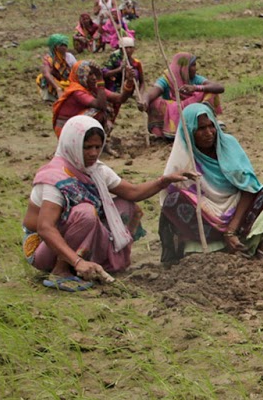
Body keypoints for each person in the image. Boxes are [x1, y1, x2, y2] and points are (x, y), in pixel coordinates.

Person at [23, 116, 184, 290]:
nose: (93, 153)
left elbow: (133, 192)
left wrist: (163, 181)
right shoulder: (54, 178)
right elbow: (45, 228)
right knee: (85, 213)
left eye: (97, 147)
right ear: (72, 145)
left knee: (126, 206)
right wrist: (77, 261)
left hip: (74, 235)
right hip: (43, 248)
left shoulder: (96, 170)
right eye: (87, 148)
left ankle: (95, 263)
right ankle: (61, 270)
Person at [159, 103, 263, 263]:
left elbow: (248, 188)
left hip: (240, 215)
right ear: (189, 131)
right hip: (208, 221)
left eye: (211, 126)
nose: (209, 133)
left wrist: (231, 230)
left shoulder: (228, 145)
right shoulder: (184, 157)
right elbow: (171, 197)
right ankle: (222, 248)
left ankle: (258, 239)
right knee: (172, 200)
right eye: (201, 129)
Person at [143, 52, 225, 140]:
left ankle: (206, 123)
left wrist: (196, 88)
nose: (195, 68)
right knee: (154, 102)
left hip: (193, 111)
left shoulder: (195, 79)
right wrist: (145, 101)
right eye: (193, 65)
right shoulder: (167, 79)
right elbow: (154, 91)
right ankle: (170, 131)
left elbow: (219, 87)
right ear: (184, 68)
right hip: (173, 113)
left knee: (210, 92)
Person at [52, 60, 134, 136]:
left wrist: (129, 81)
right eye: (90, 74)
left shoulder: (92, 87)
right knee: (98, 113)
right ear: (81, 75)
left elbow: (119, 99)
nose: (94, 77)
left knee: (111, 105)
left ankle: (99, 142)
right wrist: (100, 79)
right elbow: (101, 105)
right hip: (65, 129)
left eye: (95, 74)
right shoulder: (76, 91)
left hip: (75, 125)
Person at [37, 34, 80, 101]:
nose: (64, 47)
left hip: (67, 82)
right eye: (61, 45)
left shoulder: (69, 56)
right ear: (55, 47)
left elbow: (77, 70)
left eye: (65, 45)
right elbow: (46, 74)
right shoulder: (49, 59)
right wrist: (58, 88)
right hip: (55, 85)